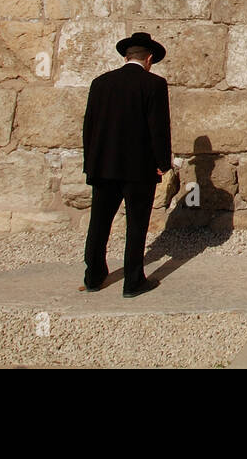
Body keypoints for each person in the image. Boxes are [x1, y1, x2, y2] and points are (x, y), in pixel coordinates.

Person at [80, 31, 172, 298]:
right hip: (138, 169)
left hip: (104, 166)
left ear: (126, 56)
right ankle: (132, 281)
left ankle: (93, 276)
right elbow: (158, 127)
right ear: (150, 58)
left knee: (99, 223)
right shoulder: (154, 84)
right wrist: (162, 162)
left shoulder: (100, 83)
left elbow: (89, 127)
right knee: (136, 224)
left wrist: (91, 162)